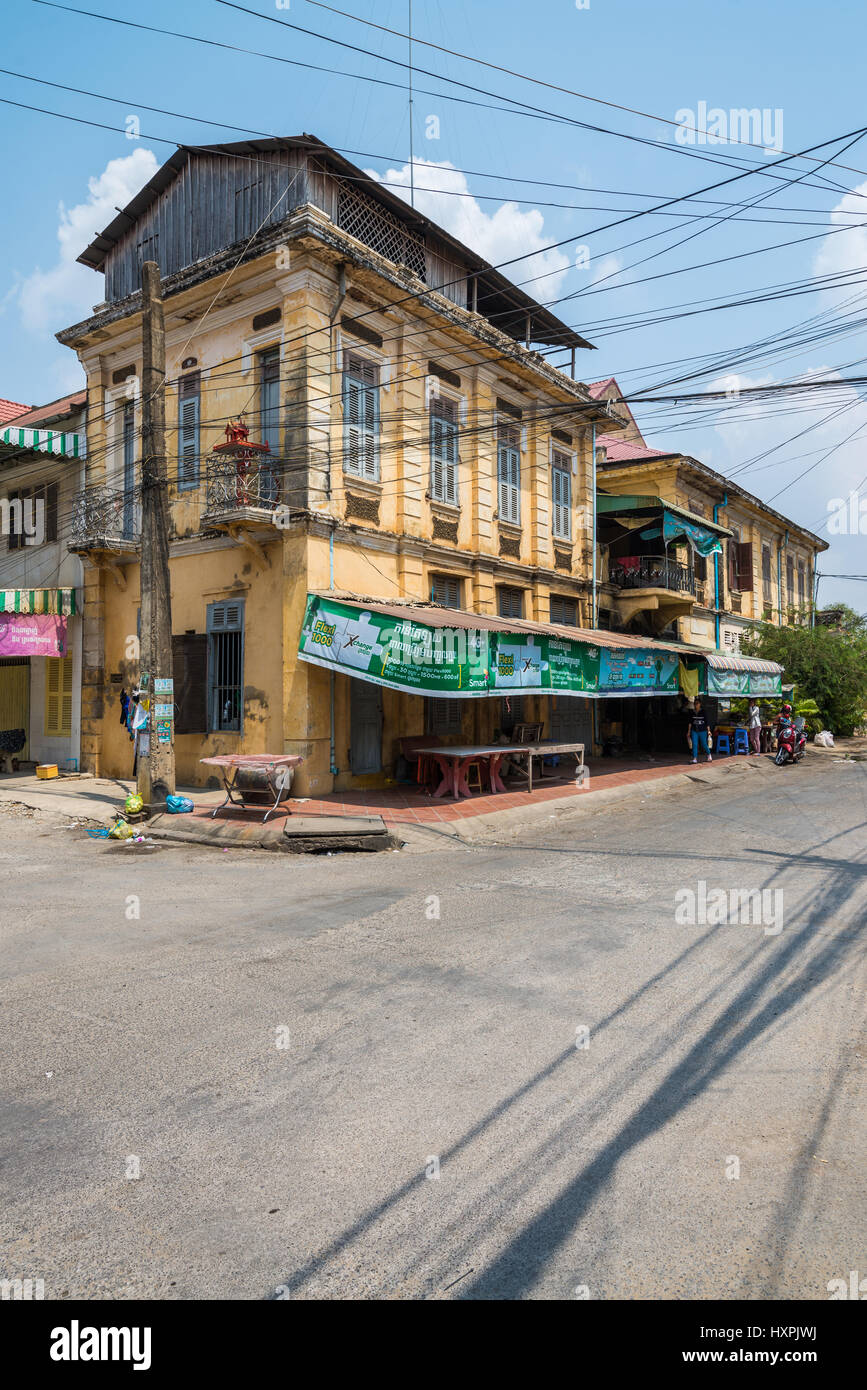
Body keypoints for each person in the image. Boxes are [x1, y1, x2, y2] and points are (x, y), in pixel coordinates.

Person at [686, 697, 713, 763]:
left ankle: (709, 754)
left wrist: (709, 731)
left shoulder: (703, 712)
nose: (696, 705)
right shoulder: (692, 712)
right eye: (695, 703)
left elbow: (707, 722)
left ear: (700, 704)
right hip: (694, 730)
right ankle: (695, 758)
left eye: (697, 703)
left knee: (704, 744)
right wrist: (689, 731)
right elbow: (690, 723)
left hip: (703, 731)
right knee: (694, 744)